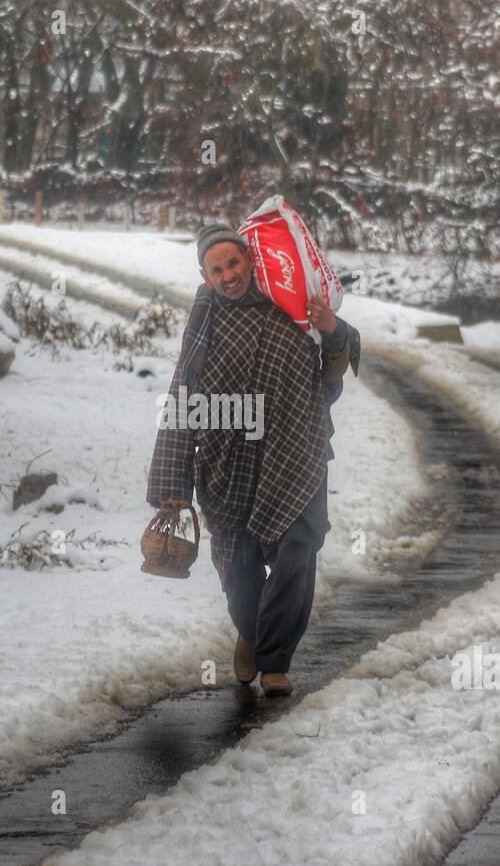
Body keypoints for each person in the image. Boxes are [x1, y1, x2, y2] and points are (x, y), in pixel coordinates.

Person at [146, 222, 360, 697]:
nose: (228, 275)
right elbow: (183, 396)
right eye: (216, 269)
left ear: (250, 261)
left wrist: (334, 331)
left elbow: (331, 372)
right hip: (228, 461)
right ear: (205, 277)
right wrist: (172, 484)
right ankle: (250, 629)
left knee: (298, 551)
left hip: (296, 452)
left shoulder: (288, 304)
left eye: (234, 263)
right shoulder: (206, 325)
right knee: (238, 562)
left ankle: (276, 660)